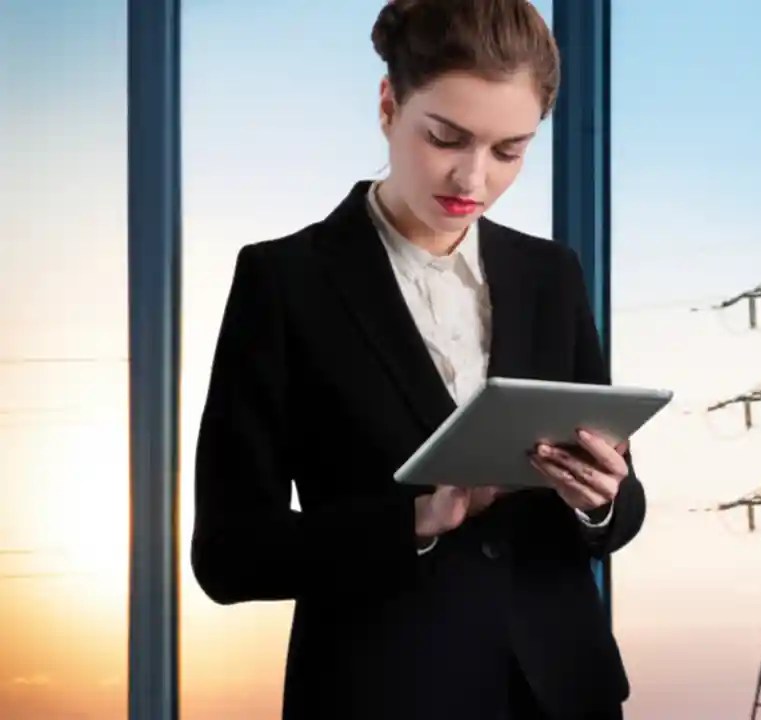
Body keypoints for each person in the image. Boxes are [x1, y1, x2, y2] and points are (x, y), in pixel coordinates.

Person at [189, 1, 645, 718]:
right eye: (445, 137)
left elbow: (615, 518)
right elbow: (229, 555)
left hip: (564, 694)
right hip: (382, 694)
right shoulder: (284, 282)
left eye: (509, 151)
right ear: (387, 105)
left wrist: (602, 501)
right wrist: (411, 522)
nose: (473, 179)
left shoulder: (550, 275)